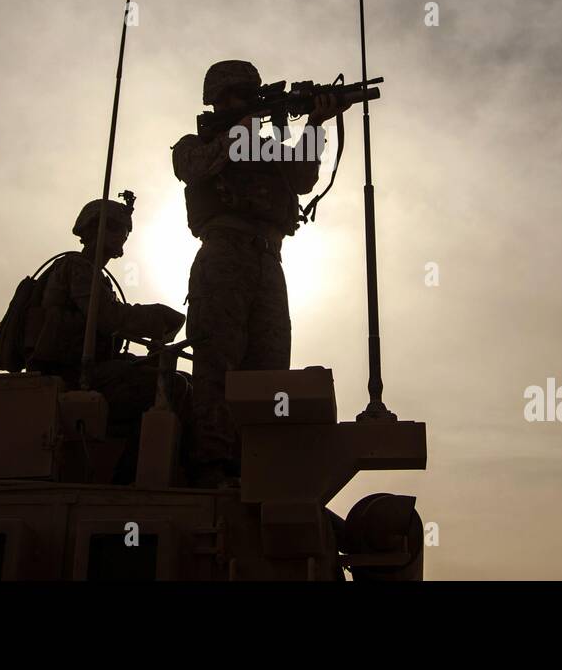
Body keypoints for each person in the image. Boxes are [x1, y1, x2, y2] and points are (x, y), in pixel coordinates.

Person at [171, 60, 348, 488]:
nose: (246, 102)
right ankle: (212, 466)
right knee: (218, 363)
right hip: (224, 254)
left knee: (269, 368)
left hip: (270, 260)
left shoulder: (264, 146)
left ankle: (257, 465)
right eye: (240, 95)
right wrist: (242, 130)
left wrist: (314, 125)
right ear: (220, 100)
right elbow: (192, 168)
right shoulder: (196, 143)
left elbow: (302, 179)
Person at [26, 197, 188, 482]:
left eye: (123, 230)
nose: (119, 235)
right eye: (112, 227)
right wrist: (157, 317)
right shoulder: (76, 268)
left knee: (174, 379)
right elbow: (105, 317)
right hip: (72, 373)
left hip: (93, 369)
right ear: (89, 229)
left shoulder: (95, 276)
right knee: (169, 385)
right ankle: (129, 479)